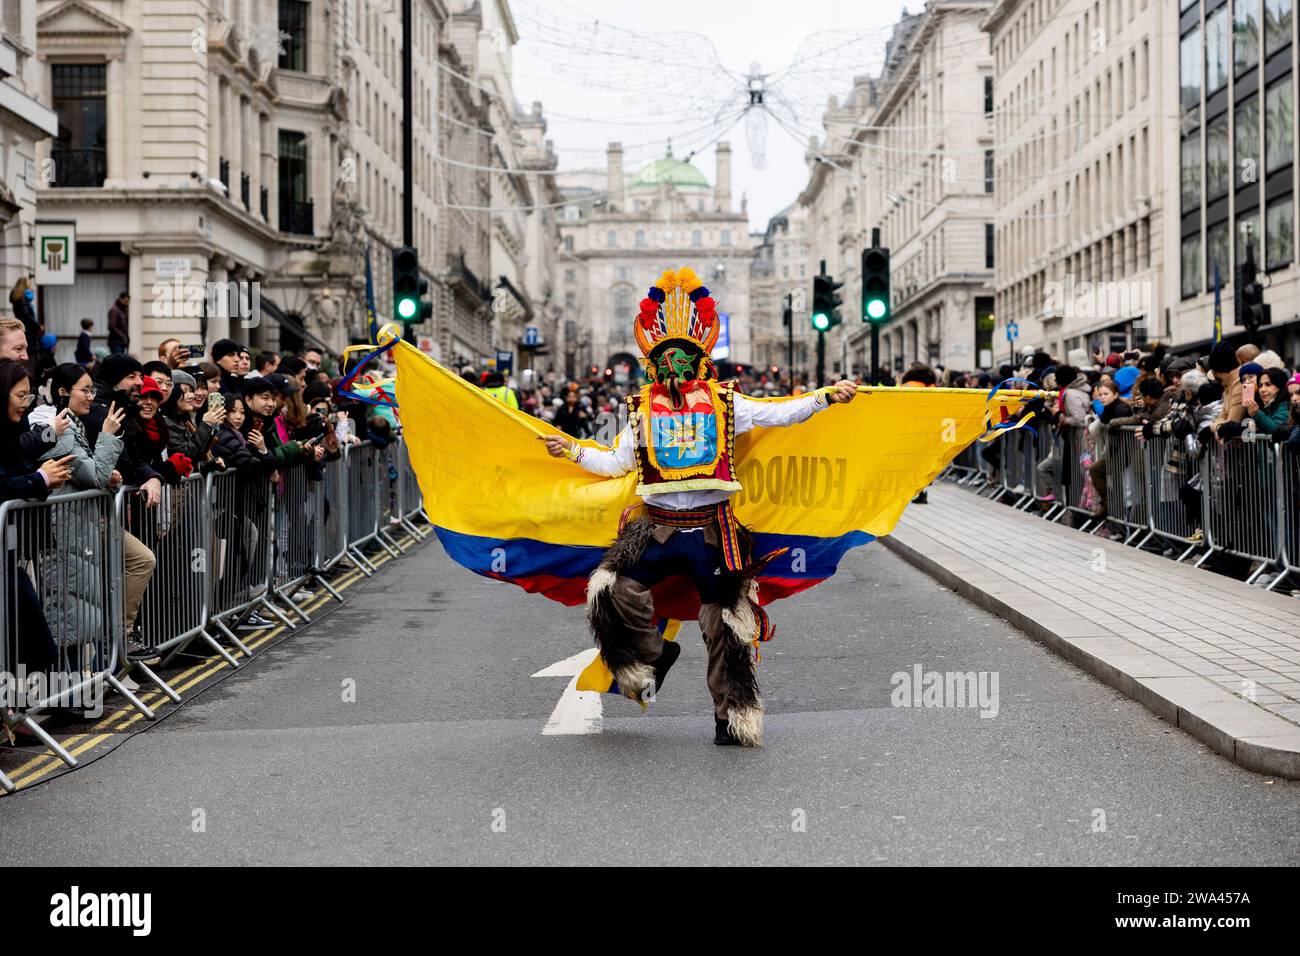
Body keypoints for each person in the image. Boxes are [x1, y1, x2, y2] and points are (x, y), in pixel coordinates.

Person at [541, 267, 857, 747]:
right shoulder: (642, 412)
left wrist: (825, 397)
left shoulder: (728, 405)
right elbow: (615, 462)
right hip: (659, 531)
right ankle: (653, 654)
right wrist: (572, 451)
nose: (676, 371)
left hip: (712, 534)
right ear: (655, 368)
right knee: (609, 590)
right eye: (666, 362)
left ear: (700, 364)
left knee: (723, 625)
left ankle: (730, 716)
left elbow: (780, 412)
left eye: (684, 361)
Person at [0, 360, 72, 692]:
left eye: (29, 395)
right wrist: (40, 478)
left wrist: (42, 475)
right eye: (20, 395)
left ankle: (14, 711)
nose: (26, 403)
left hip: (14, 549)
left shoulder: (12, 429)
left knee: (28, 640)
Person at [10, 277, 39, 360]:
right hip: (27, 330)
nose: (30, 287)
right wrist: (37, 325)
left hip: (25, 329)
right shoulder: (22, 300)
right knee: (30, 356)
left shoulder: (18, 299)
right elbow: (27, 316)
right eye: (29, 285)